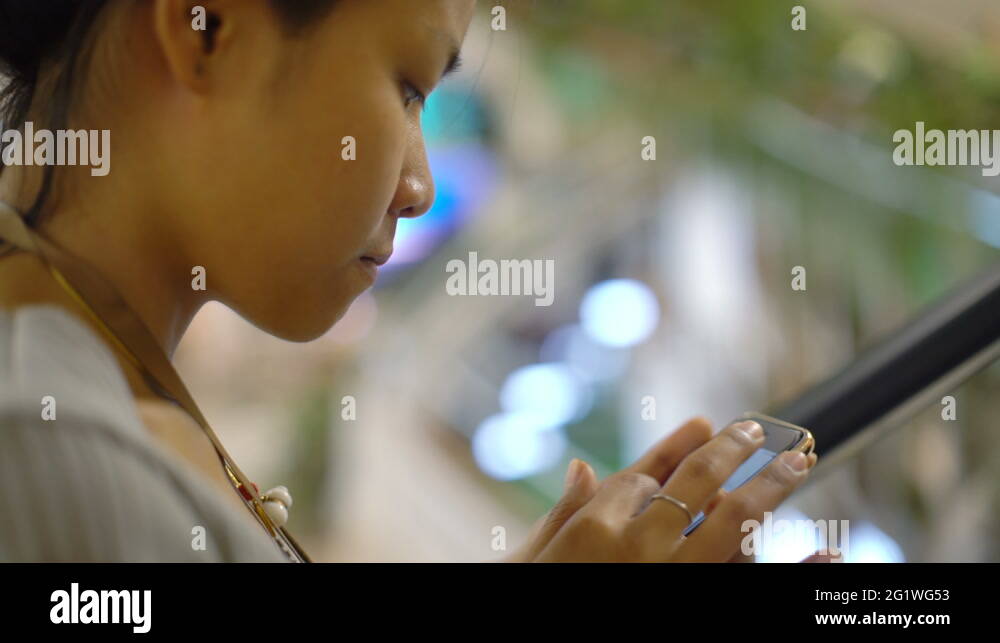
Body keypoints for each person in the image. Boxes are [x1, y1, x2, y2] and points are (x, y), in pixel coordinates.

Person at [0, 0, 831, 563]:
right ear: (206, 29)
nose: (420, 184)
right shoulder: (49, 445)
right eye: (406, 87)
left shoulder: (91, 377)